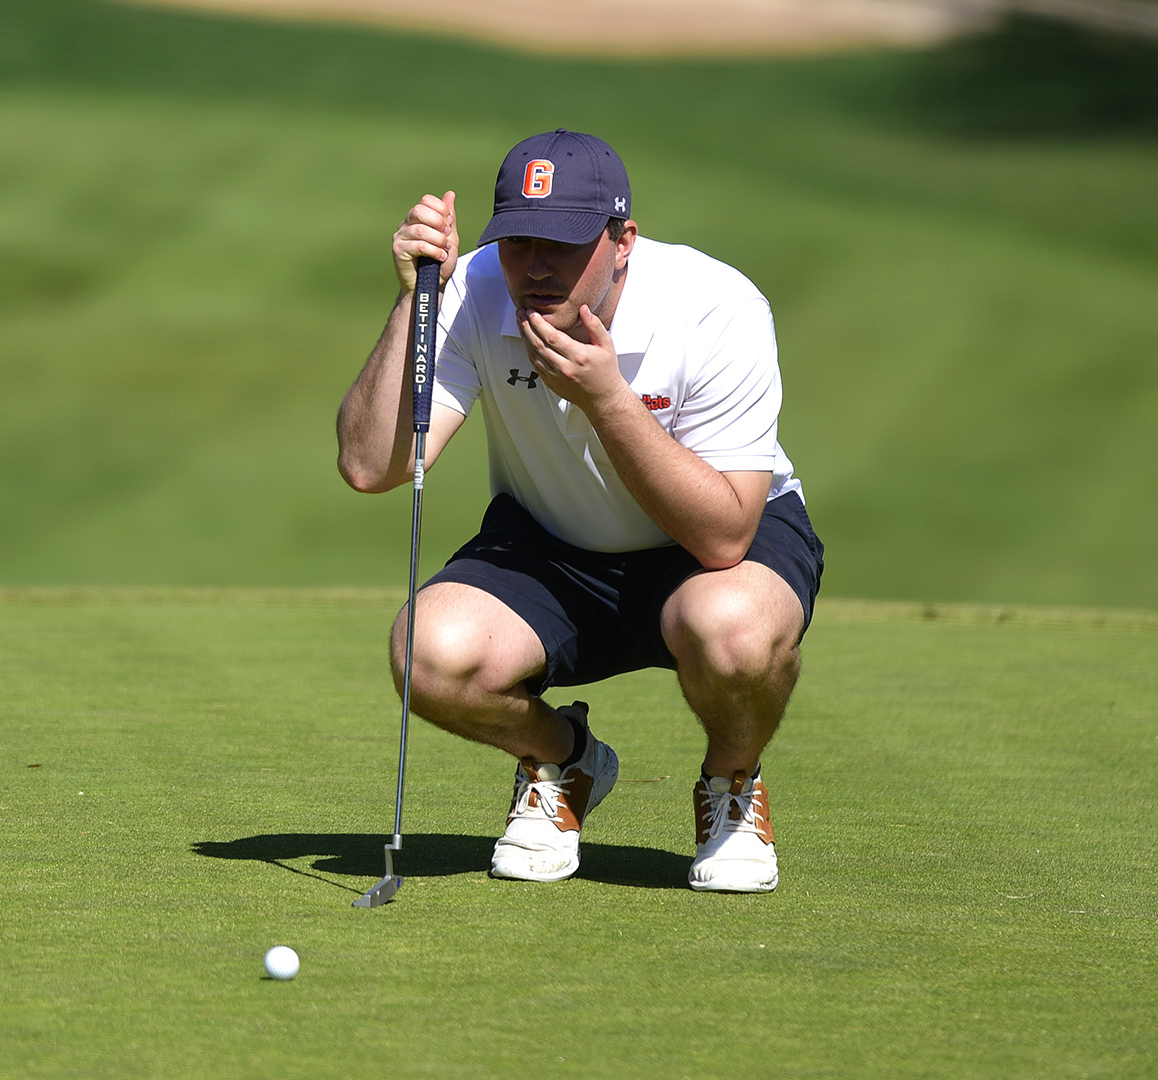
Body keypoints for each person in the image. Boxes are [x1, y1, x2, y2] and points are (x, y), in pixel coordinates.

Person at [335, 129, 822, 893]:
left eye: (562, 243)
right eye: (517, 240)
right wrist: (415, 300)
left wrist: (606, 401)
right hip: (551, 541)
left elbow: (726, 533)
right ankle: (562, 759)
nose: (535, 266)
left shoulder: (715, 306)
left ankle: (731, 787)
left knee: (735, 632)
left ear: (622, 240)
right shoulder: (474, 292)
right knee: (427, 654)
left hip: (707, 546)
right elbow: (372, 466)